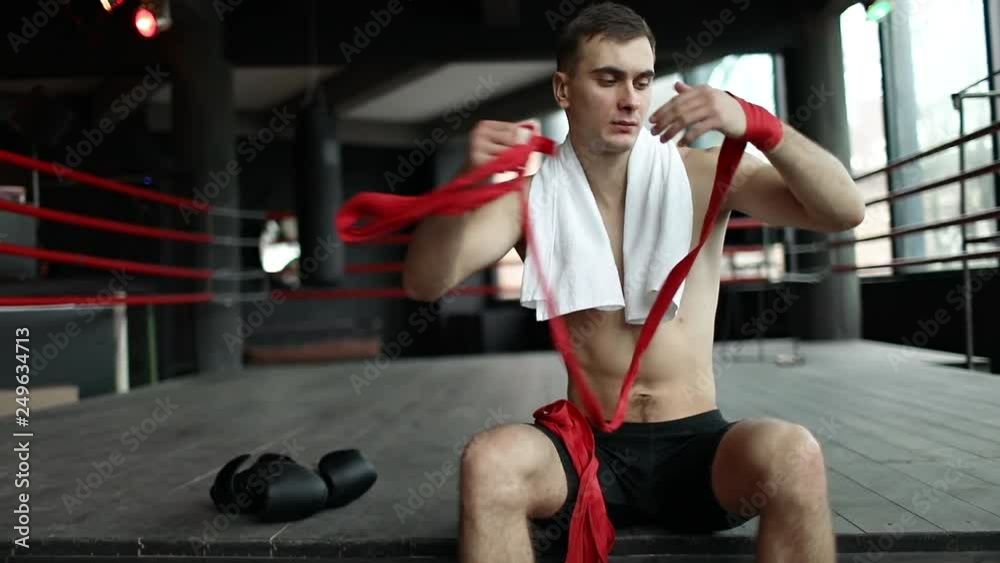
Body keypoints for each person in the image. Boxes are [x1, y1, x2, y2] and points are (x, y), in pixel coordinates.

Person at [402, 3, 865, 563]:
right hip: (588, 455)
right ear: (563, 88)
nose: (630, 100)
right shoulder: (530, 199)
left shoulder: (702, 173)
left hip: (696, 447)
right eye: (608, 78)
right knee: (489, 460)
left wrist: (761, 125)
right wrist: (465, 186)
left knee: (795, 454)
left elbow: (845, 211)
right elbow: (425, 284)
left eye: (642, 81)